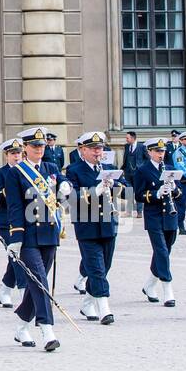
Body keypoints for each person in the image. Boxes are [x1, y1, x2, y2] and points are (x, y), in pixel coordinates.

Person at [3, 127, 67, 351]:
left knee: (35, 283)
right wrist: (16, 237)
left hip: (49, 233)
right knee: (39, 280)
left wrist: (66, 186)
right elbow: (15, 206)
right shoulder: (16, 172)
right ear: (25, 148)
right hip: (28, 236)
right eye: (34, 146)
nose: (39, 149)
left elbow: (63, 182)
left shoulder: (50, 167)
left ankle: (21, 326)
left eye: (41, 146)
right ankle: (47, 329)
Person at [66, 131, 123, 325]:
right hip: (86, 225)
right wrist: (94, 191)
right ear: (82, 150)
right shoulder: (74, 170)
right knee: (96, 267)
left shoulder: (108, 168)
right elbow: (71, 198)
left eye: (99, 148)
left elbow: (123, 188)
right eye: (92, 148)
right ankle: (104, 309)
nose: (97, 152)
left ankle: (87, 303)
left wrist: (114, 184)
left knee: (105, 266)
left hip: (108, 223)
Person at [134, 137, 182, 307]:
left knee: (165, 251)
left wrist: (174, 189)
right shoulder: (142, 170)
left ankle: (149, 285)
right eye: (157, 151)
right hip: (154, 216)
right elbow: (139, 195)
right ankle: (168, 289)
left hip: (170, 215)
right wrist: (156, 193)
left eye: (162, 151)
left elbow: (179, 193)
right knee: (161, 251)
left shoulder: (169, 168)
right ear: (149, 152)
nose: (161, 154)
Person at [0, 139, 24, 308]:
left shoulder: (28, 171)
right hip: (6, 221)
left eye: (18, 153)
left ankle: (5, 290)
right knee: (16, 256)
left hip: (24, 220)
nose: (16, 156)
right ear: (6, 156)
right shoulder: (0, 173)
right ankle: (24, 292)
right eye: (13, 154)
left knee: (17, 256)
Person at [121, 131, 145, 217]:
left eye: (127, 138)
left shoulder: (142, 146)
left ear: (132, 138)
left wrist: (142, 168)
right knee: (129, 192)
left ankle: (139, 212)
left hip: (138, 173)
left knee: (138, 192)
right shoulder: (127, 146)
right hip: (128, 173)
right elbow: (125, 158)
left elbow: (147, 159)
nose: (126, 139)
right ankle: (129, 212)